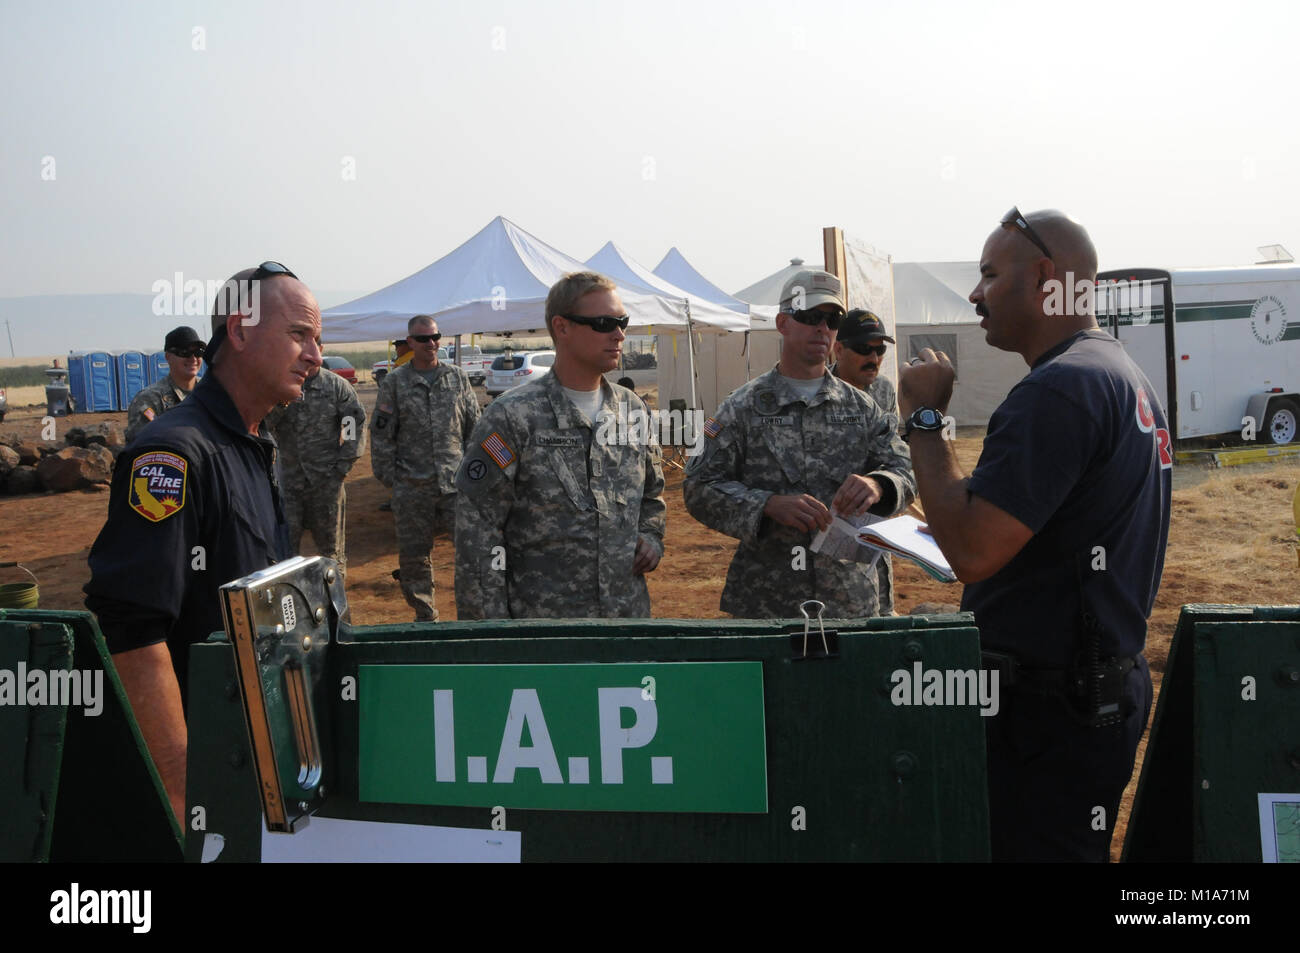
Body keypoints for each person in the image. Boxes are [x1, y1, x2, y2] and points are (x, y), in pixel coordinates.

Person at [898, 208, 1172, 862]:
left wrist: (925, 418)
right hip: (1091, 696)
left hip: (1049, 716)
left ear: (1046, 277)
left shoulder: (1062, 387)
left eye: (990, 274)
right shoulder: (1117, 372)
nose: (974, 293)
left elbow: (971, 550)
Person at [85, 262, 322, 825]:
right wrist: (182, 794)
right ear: (238, 332)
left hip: (255, 754)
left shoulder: (253, 443)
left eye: (317, 340)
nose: (314, 356)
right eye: (299, 335)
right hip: (212, 771)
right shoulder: (172, 454)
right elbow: (131, 629)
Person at [682, 269, 915, 619]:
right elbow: (698, 485)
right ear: (782, 322)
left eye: (832, 319)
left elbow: (905, 470)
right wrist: (766, 505)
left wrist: (877, 484)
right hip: (769, 602)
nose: (822, 328)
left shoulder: (863, 408)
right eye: (809, 317)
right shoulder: (743, 407)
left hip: (848, 600)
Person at [455, 271, 666, 619]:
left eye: (622, 321)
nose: (619, 334)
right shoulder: (512, 416)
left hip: (625, 622)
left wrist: (651, 537)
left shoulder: (632, 411)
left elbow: (652, 497)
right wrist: (489, 635)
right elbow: (478, 533)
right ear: (562, 327)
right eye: (603, 323)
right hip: (544, 632)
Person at [370, 315, 480, 621]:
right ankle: (425, 614)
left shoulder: (457, 377)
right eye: (422, 339)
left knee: (471, 552)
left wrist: (473, 475)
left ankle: (471, 616)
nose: (430, 344)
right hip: (411, 486)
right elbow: (381, 435)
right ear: (410, 343)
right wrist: (392, 480)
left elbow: (475, 429)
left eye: (435, 337)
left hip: (456, 486)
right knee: (415, 556)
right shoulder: (395, 382)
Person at [265, 359, 366, 575]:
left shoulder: (336, 386)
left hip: (326, 484)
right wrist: (283, 402)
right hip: (288, 484)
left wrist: (341, 468)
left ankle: (335, 603)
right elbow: (263, 423)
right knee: (283, 554)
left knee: (331, 554)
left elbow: (352, 427)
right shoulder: (279, 384)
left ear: (318, 350)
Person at [831, 308, 901, 613]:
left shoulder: (883, 390)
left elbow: (896, 454)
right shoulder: (820, 393)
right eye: (863, 349)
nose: (873, 358)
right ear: (838, 349)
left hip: (875, 520)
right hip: (832, 525)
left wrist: (885, 485)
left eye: (880, 349)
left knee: (879, 605)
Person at [124, 326, 205, 443]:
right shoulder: (149, 400)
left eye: (198, 352)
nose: (193, 359)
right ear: (168, 357)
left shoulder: (211, 391)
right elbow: (141, 448)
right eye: (185, 352)